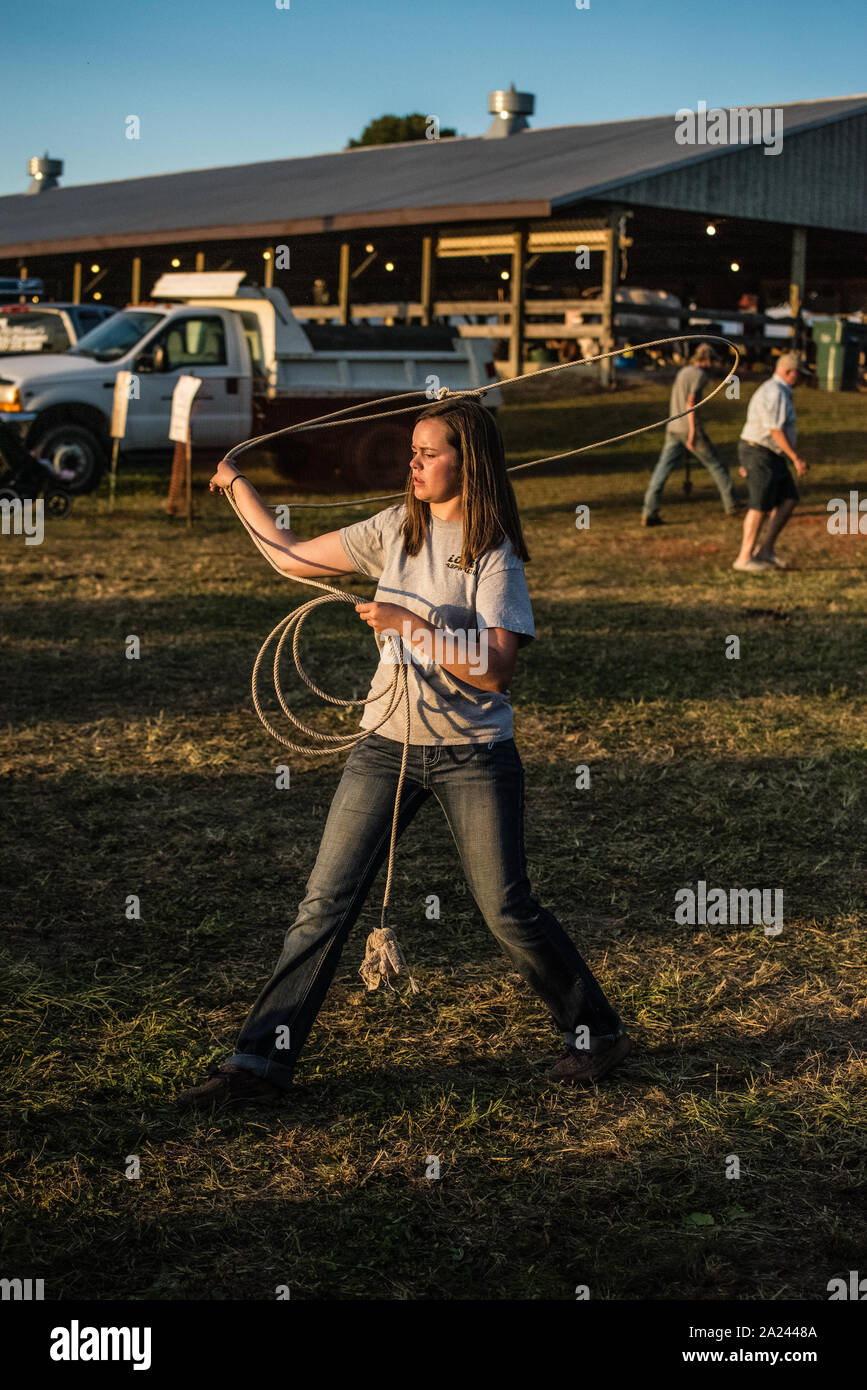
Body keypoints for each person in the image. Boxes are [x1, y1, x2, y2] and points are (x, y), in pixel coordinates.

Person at [180, 398, 630, 1111]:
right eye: (413, 451)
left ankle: (595, 1032)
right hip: (385, 744)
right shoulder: (394, 528)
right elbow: (289, 557)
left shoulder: (489, 551)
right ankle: (257, 1066)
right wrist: (238, 483)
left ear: (466, 461)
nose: (412, 463)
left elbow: (495, 667)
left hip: (472, 754)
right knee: (323, 903)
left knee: (506, 910)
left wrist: (410, 623)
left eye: (428, 452)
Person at [641, 342, 740, 525]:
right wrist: (694, 433)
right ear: (707, 360)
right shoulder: (699, 375)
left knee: (662, 471)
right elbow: (691, 403)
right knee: (717, 466)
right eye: (712, 361)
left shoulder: (683, 372)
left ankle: (649, 511)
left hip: (673, 427)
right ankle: (732, 505)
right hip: (688, 428)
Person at [732, 352, 811, 573]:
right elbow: (774, 430)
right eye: (799, 374)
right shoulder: (774, 392)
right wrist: (795, 458)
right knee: (760, 505)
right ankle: (744, 557)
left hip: (769, 453)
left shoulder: (780, 392)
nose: (801, 379)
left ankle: (766, 550)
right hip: (760, 451)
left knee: (789, 498)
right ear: (788, 371)